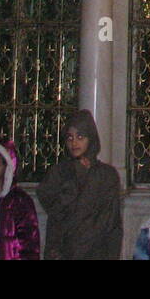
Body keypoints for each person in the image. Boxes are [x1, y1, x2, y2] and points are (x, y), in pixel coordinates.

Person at [37, 109, 124, 260]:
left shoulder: (106, 175)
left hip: (97, 253)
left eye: (80, 137)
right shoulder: (59, 172)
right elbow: (55, 212)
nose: (74, 143)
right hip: (63, 252)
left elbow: (111, 224)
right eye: (70, 137)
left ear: (91, 139)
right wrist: (75, 177)